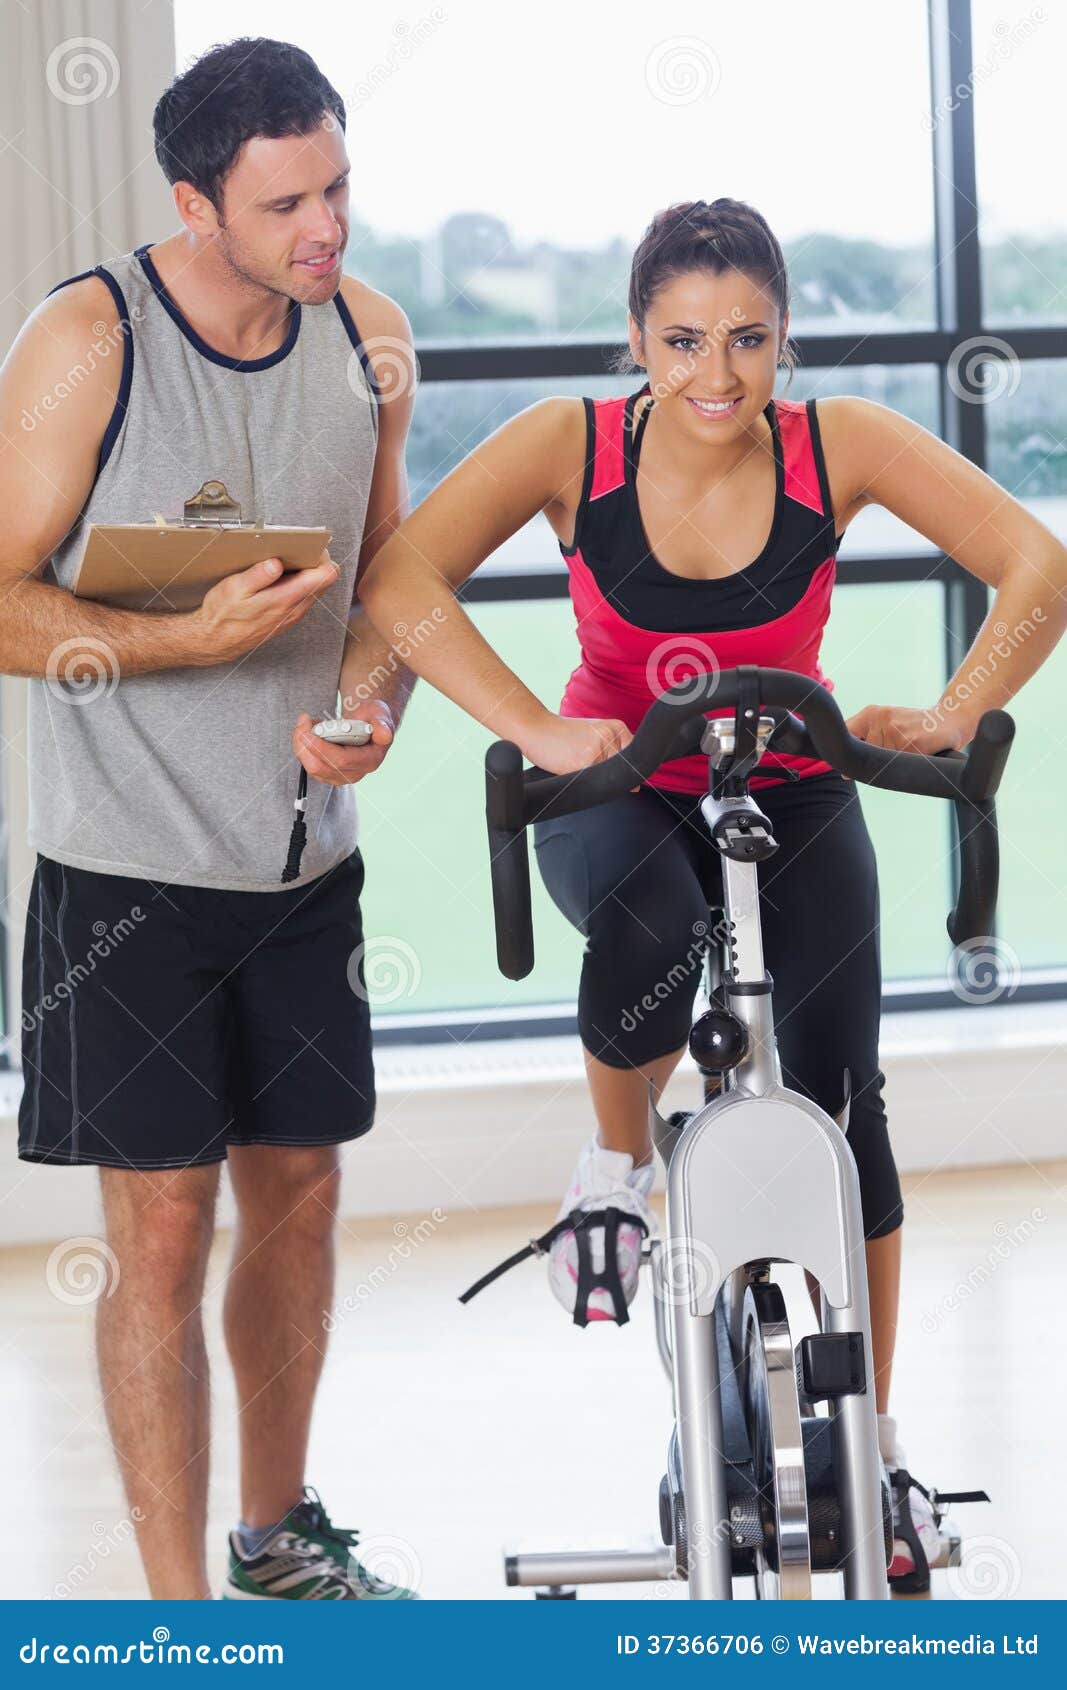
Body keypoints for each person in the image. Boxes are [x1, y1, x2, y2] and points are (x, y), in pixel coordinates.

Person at [357, 197, 1066, 1591]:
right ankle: (616, 1165)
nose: (716, 375)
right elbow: (403, 578)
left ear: (786, 339)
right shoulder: (573, 444)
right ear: (636, 338)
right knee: (657, 932)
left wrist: (951, 708)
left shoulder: (835, 447)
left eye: (748, 339)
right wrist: (538, 725)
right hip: (621, 777)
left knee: (849, 1094)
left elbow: (1038, 565)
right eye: (682, 341)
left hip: (792, 783)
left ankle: (867, 1435)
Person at [0, 38, 420, 1599]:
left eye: (340, 186)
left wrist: (373, 709)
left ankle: (275, 1535)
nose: (331, 231)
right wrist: (187, 641)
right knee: (161, 1237)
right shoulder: (86, 340)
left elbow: (394, 585)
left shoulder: (369, 335)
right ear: (195, 202)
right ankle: (179, 1615)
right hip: (129, 880)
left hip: (307, 865)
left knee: (301, 1200)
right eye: (289, 203)